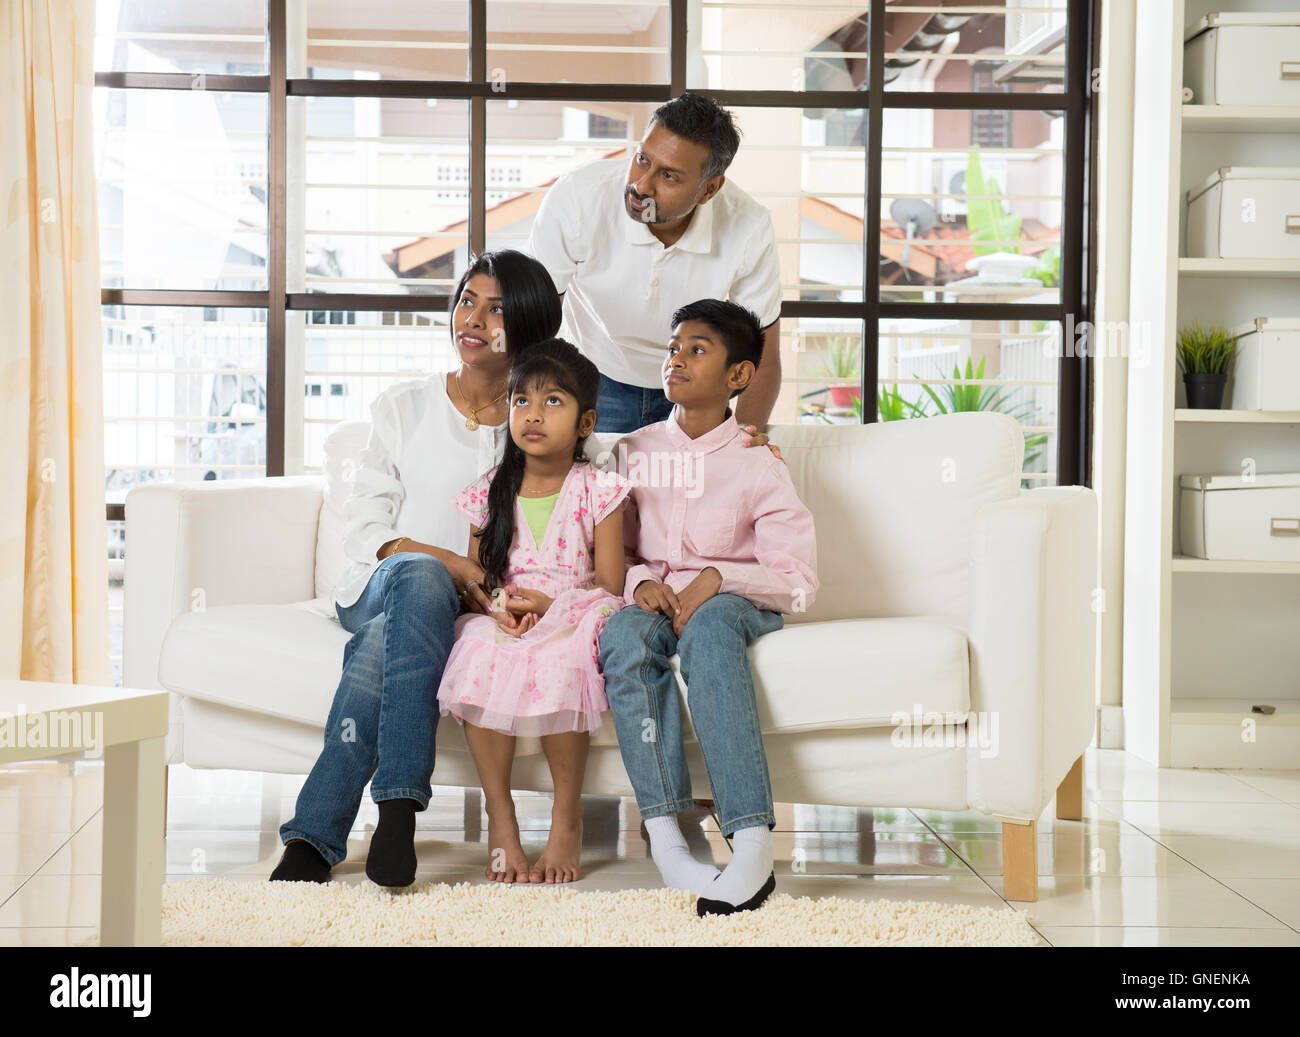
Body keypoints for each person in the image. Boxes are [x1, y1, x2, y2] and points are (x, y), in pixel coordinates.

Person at [269, 249, 563, 888]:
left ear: (534, 325)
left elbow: (569, 519)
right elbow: (368, 532)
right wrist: (454, 564)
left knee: (384, 646)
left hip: (459, 610)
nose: (474, 319)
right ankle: (398, 809)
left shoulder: (540, 421)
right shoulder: (403, 407)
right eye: (467, 301)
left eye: (498, 309)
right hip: (377, 586)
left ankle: (316, 838)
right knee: (422, 581)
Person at [597, 299, 818, 916]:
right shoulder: (632, 452)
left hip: (733, 602)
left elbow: (796, 578)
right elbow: (609, 547)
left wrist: (718, 578)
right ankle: (669, 842)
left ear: (739, 376)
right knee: (622, 639)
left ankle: (750, 844)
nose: (677, 359)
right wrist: (637, 580)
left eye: (698, 350)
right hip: (653, 600)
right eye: (674, 348)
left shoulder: (756, 463)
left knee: (711, 631)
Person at [437, 339, 633, 885]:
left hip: (574, 611)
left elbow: (612, 587)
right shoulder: (487, 494)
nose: (533, 415)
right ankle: (503, 821)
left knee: (563, 660)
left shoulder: (601, 490)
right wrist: (498, 607)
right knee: (476, 649)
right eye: (521, 401)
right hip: (505, 614)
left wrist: (552, 608)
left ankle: (566, 818)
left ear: (585, 421)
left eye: (553, 403)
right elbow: (477, 580)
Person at [526, 93, 783, 434]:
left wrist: (743, 446)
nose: (641, 184)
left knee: (693, 485)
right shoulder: (577, 197)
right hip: (595, 375)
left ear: (709, 190)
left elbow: (762, 357)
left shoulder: (749, 226)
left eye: (669, 177)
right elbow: (531, 327)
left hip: (697, 388)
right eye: (643, 158)